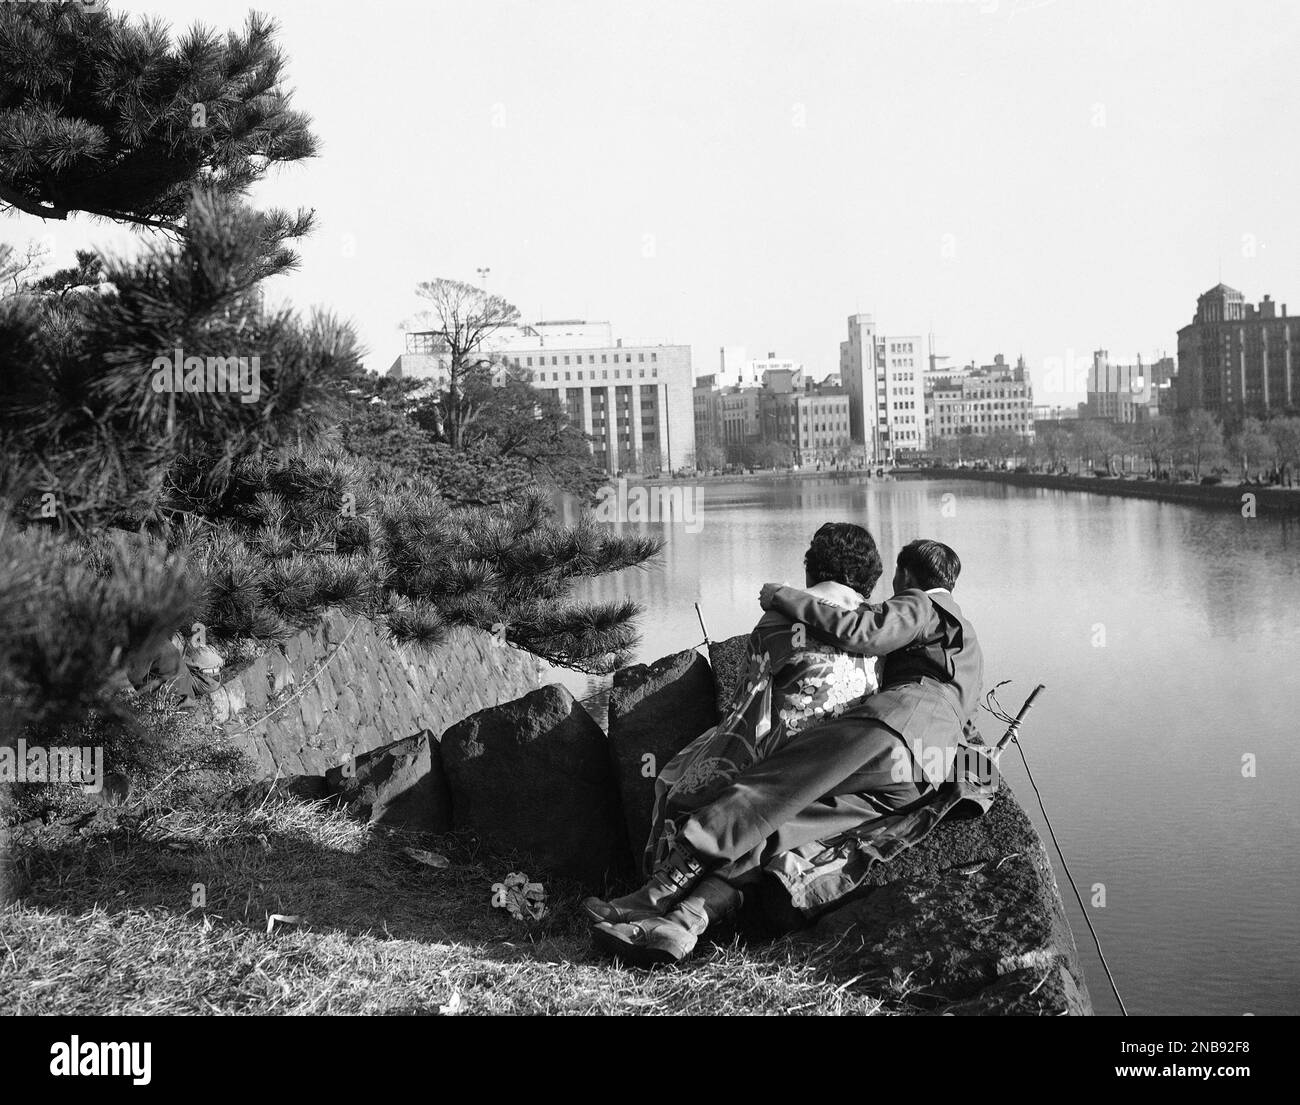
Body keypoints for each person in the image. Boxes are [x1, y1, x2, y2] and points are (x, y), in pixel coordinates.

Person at [589, 538, 983, 967]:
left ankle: (654, 894)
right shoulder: (970, 646)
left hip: (891, 729)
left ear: (906, 576)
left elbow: (865, 633)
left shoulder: (923, 604)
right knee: (789, 829)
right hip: (920, 775)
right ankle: (683, 922)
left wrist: (783, 595)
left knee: (767, 788)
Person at [585, 523, 884, 946]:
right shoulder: (877, 626)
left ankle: (654, 899)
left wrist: (715, 763)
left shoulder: (781, 620)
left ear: (812, 568)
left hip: (781, 758)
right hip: (838, 764)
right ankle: (680, 917)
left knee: (675, 779)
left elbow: (748, 711)